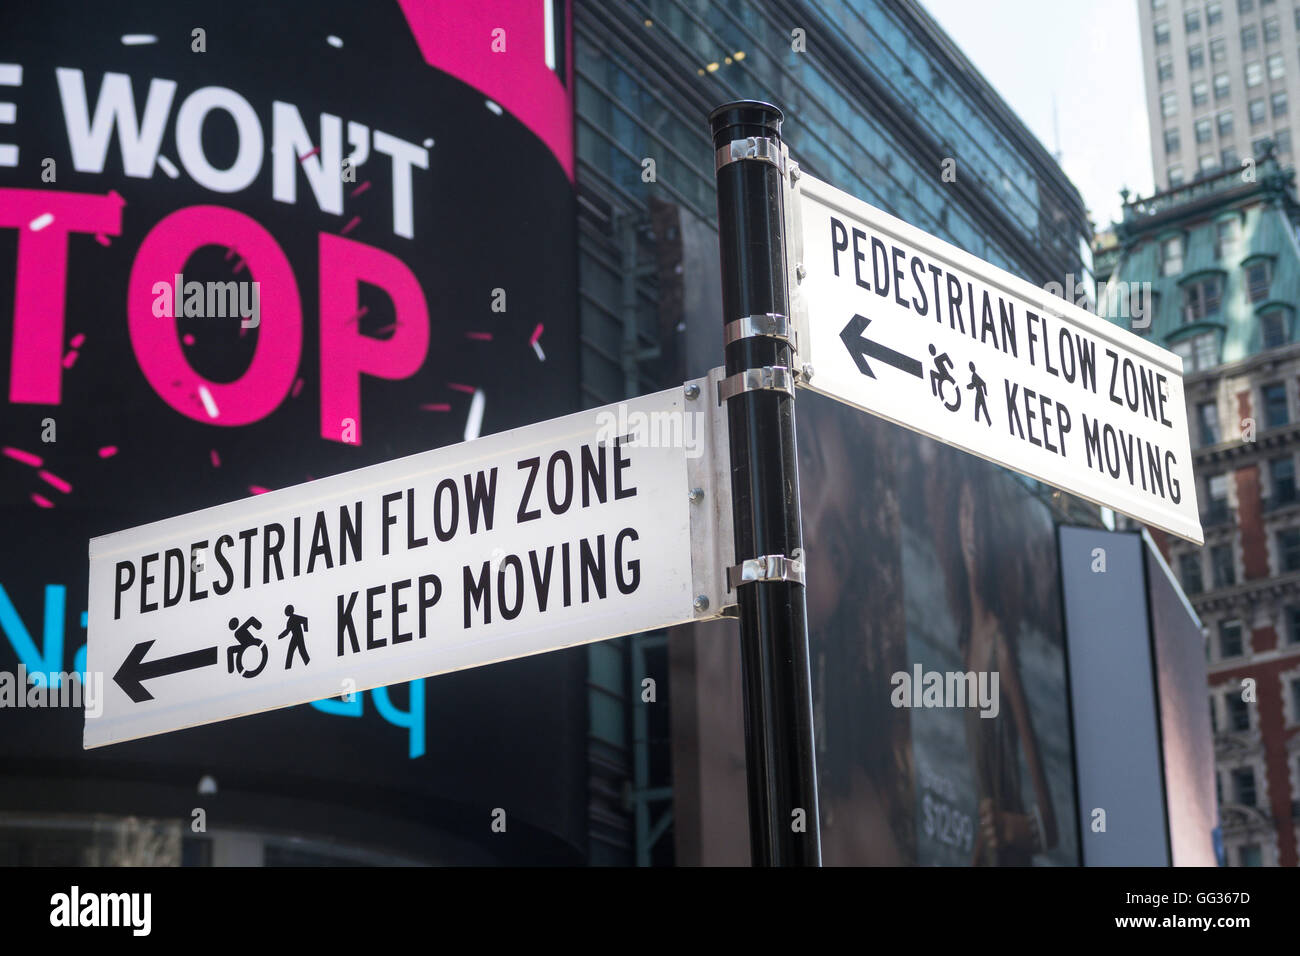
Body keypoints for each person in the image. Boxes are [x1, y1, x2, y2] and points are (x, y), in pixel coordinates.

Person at [935, 470, 1059, 865]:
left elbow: (1050, 826)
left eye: (978, 515)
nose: (970, 528)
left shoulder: (999, 645)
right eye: (964, 512)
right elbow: (983, 808)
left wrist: (1008, 828)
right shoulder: (965, 641)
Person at [278, 604, 310, 669]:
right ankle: (288, 666)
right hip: (295, 637)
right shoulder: (289, 621)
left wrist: (305, 630)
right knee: (291, 651)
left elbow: (305, 620)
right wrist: (280, 636)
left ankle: (307, 662)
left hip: (299, 636)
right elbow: (287, 631)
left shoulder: (294, 618)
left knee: (301, 650)